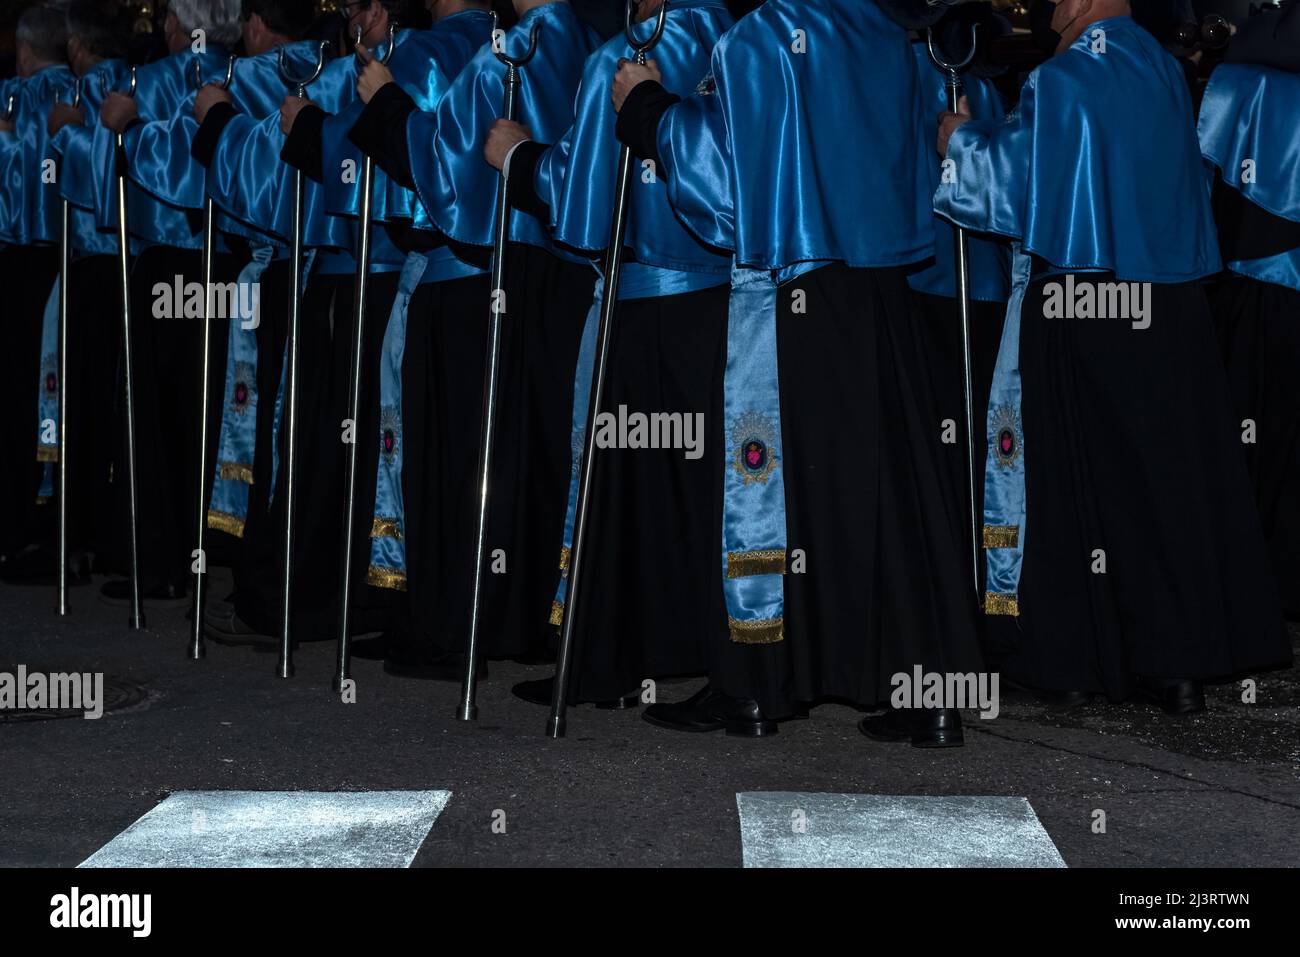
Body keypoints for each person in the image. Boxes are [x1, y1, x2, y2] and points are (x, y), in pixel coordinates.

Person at [610, 0, 984, 745]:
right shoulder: (888, 34)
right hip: (882, 293)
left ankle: (755, 683)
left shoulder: (758, 36)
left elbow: (723, 191)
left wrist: (646, 106)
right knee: (890, 494)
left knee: (770, 491)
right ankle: (926, 689)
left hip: (793, 288)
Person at [935, 0, 1293, 713]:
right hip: (1171, 309)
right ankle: (1177, 662)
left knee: (1075, 484)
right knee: (1164, 486)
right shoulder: (1163, 68)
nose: (1050, 6)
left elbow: (1020, 191)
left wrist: (961, 144)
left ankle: (1072, 658)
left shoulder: (1062, 77)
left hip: (1085, 298)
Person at [483, 0, 736, 711]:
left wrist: (519, 157)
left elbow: (586, 206)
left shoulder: (615, 60)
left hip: (646, 297)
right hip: (724, 303)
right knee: (703, 490)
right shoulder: (739, 38)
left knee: (620, 491)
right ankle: (702, 649)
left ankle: (611, 654)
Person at [361, 0, 599, 677]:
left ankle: (451, 624)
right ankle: (512, 614)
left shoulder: (512, 48)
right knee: (524, 449)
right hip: (550, 273)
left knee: (458, 458)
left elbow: (445, 164)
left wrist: (382, 104)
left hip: (478, 273)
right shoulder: (587, 43)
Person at [90, 0, 245, 608]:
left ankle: (163, 559)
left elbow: (166, 167)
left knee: (158, 414)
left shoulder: (152, 80)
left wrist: (123, 128)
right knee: (208, 407)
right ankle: (209, 546)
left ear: (181, 22)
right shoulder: (248, 72)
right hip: (226, 264)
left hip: (171, 261)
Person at [1199, 30, 1300, 619]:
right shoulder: (1250, 77)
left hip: (1259, 284)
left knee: (1250, 435)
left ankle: (1249, 581)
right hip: (1262, 278)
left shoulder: (1248, 82)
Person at [0, 4, 75, 576]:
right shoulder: (80, 90)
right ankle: (58, 520)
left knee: (18, 394)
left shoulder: (12, 97)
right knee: (59, 390)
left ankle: (19, 522)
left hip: (20, 262)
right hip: (71, 261)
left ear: (24, 51)